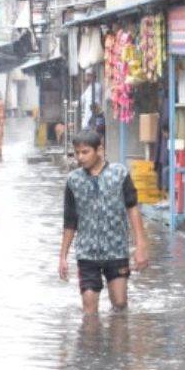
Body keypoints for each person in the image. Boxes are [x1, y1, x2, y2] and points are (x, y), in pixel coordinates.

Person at [59, 130, 150, 314]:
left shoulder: (119, 174)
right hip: (87, 253)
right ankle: (91, 342)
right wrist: (63, 257)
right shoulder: (73, 181)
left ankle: (118, 340)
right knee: (89, 309)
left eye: (85, 152)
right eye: (77, 153)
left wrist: (140, 245)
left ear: (99, 150)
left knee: (120, 304)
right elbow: (70, 221)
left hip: (116, 250)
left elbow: (132, 209)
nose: (80, 157)